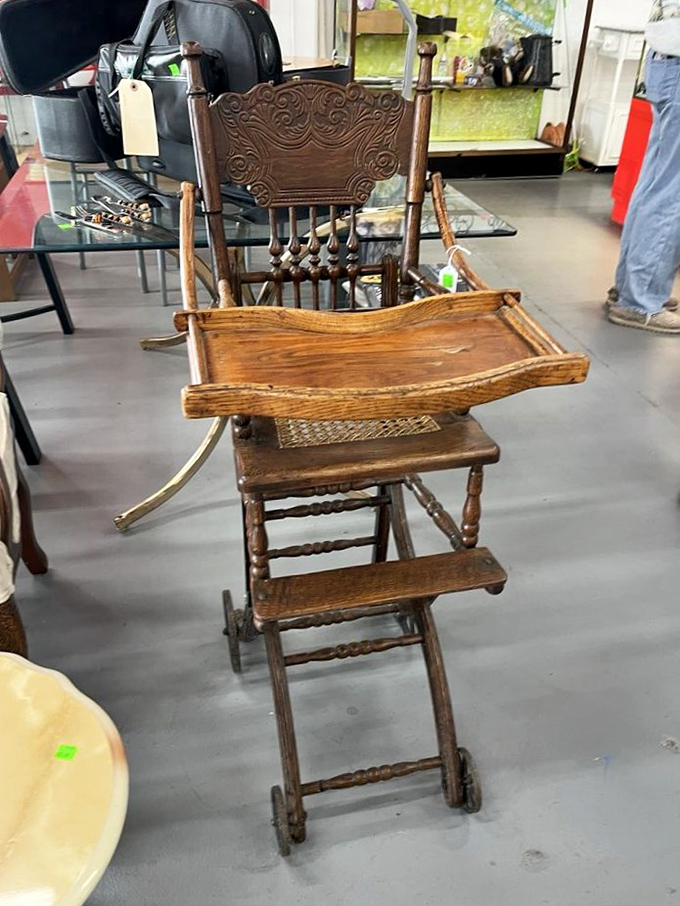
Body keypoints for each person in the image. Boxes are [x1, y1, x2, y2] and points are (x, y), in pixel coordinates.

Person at [607, 0, 680, 334]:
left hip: (668, 58)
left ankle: (631, 289)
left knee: (656, 184)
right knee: (671, 192)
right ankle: (640, 301)